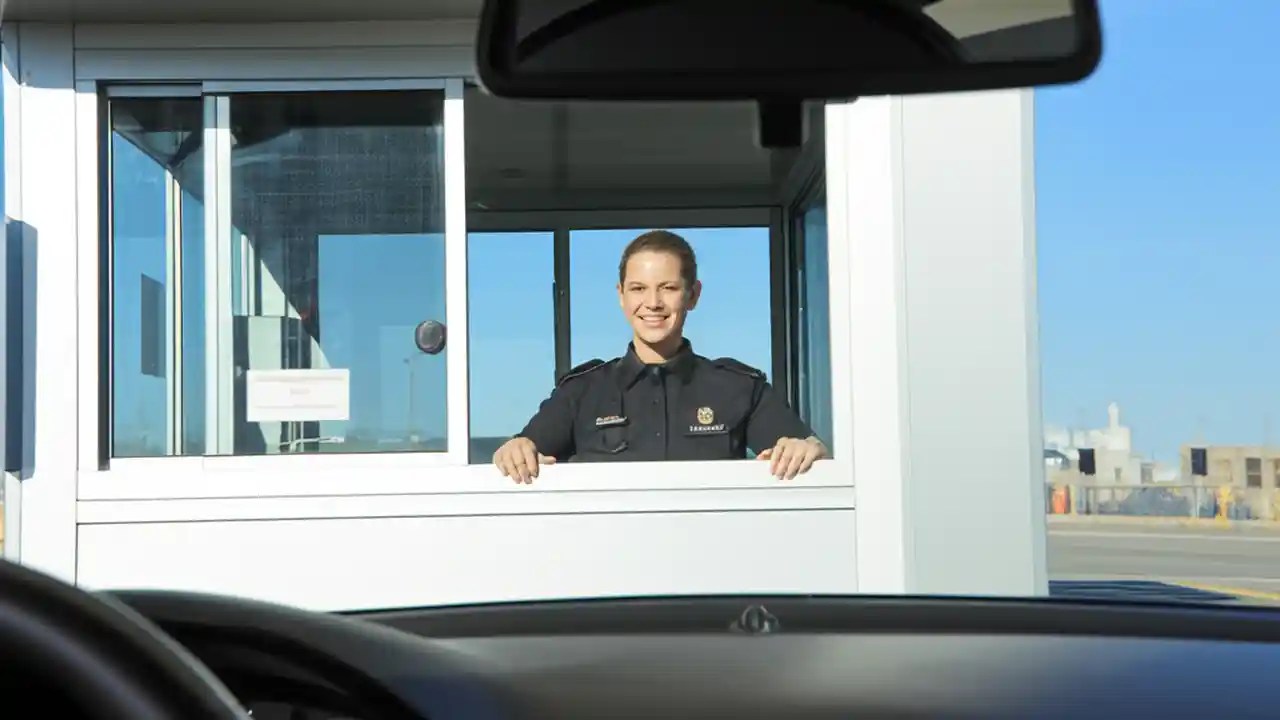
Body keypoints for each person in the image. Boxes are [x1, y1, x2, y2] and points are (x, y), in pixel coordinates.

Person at [493, 229, 828, 483]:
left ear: (693, 295)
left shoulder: (739, 389)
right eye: (638, 288)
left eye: (667, 288)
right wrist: (513, 450)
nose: (652, 303)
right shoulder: (581, 392)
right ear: (620, 295)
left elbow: (807, 451)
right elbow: (521, 452)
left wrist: (808, 450)